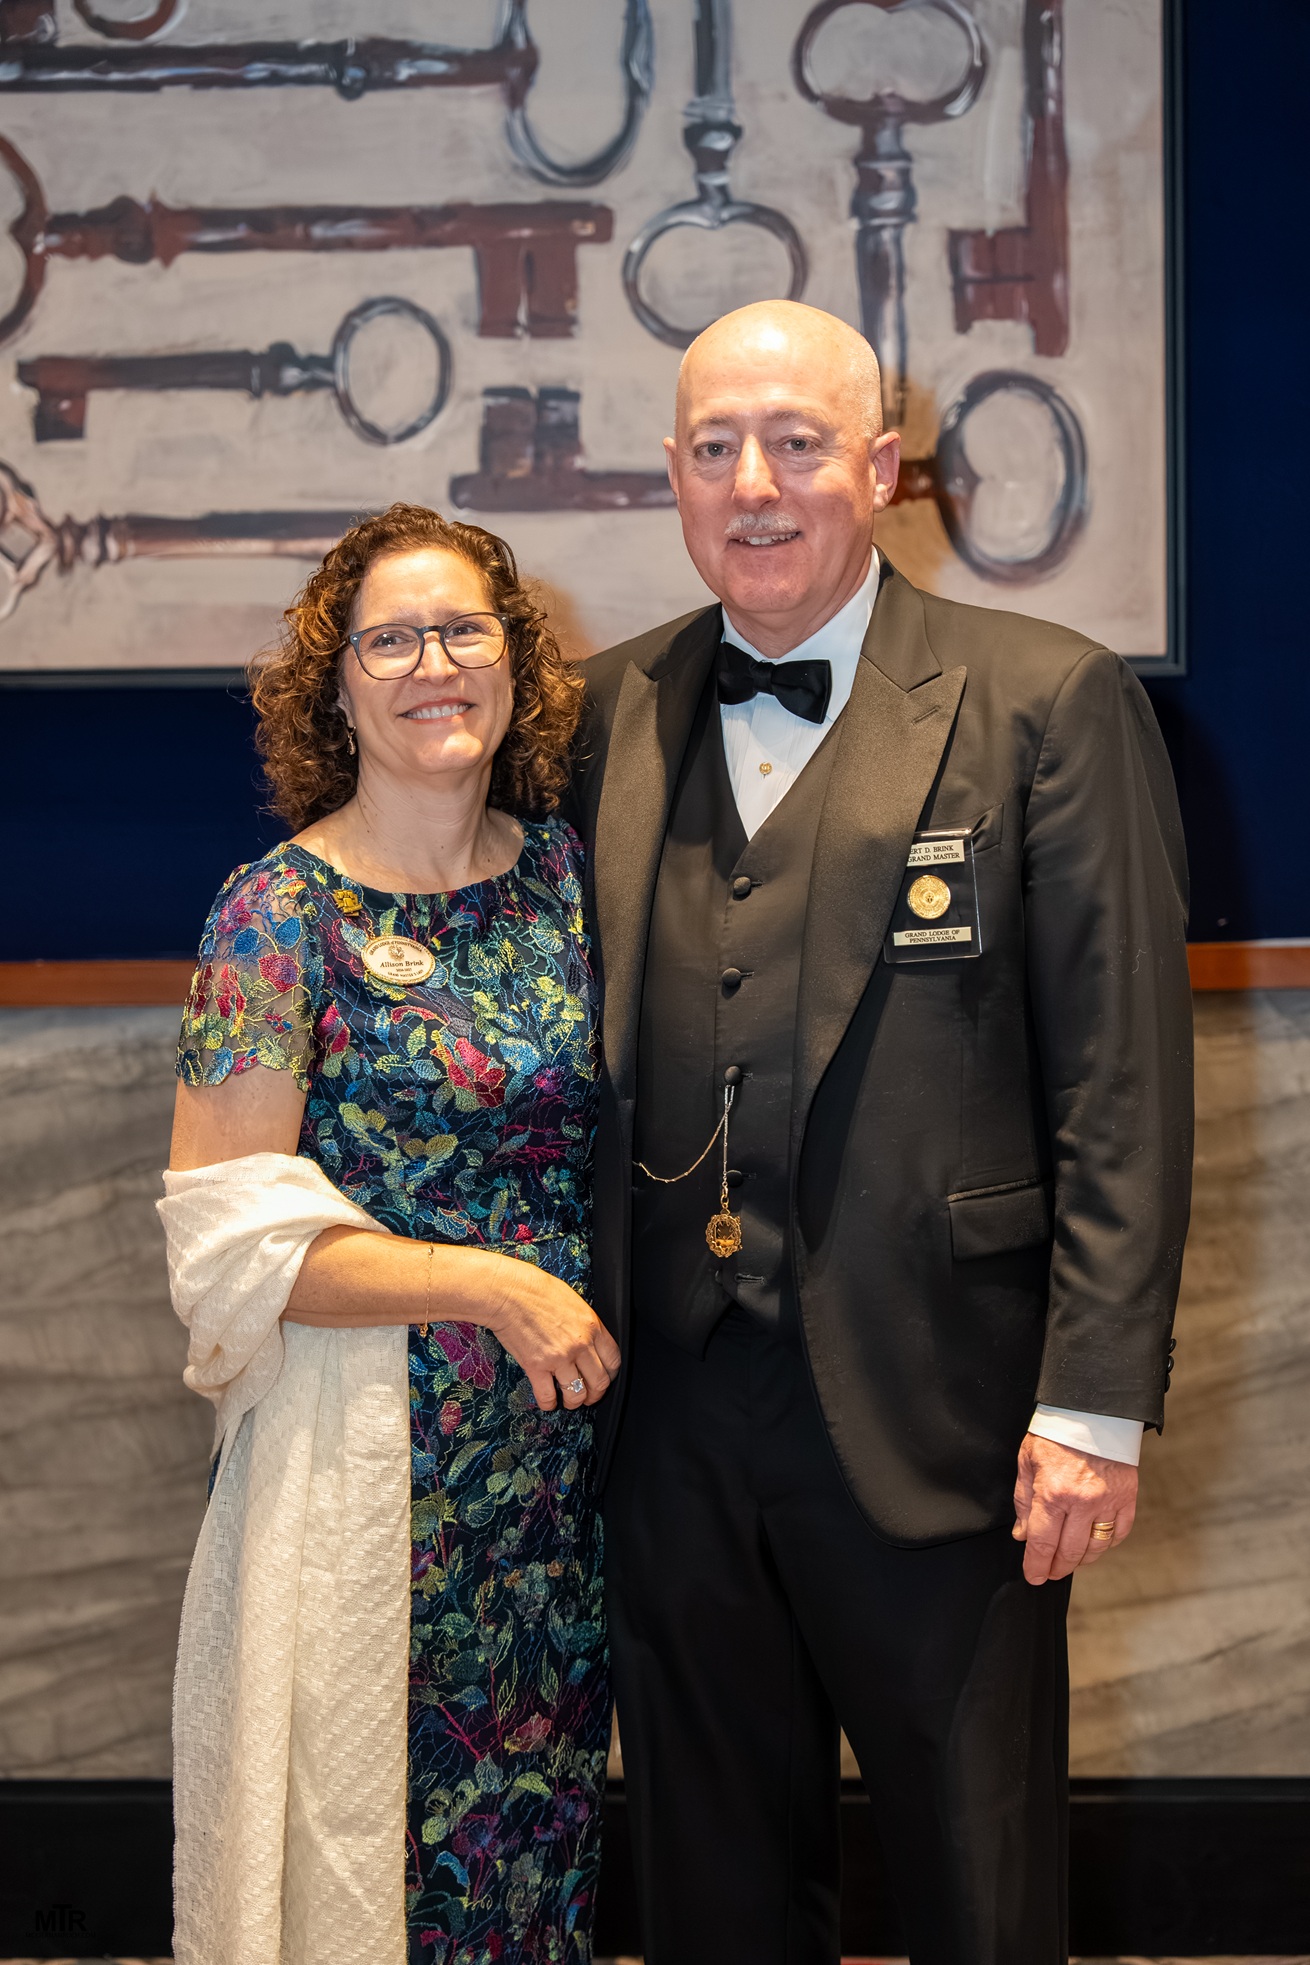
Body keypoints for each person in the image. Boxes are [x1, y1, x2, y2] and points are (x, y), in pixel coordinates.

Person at [566, 302, 1193, 1963]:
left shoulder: (1045, 701)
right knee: (710, 1897)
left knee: (977, 1899)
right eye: (714, 449)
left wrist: (1092, 1404)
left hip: (952, 1424)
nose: (753, 486)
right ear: (674, 476)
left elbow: (1120, 1083)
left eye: (794, 443)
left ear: (882, 465)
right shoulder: (600, 712)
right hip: (673, 1427)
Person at [165, 504, 619, 1965]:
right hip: (374, 1481)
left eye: (466, 629)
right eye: (392, 637)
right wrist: (487, 1286)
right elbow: (226, 1242)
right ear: (337, 681)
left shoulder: (568, 879)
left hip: (560, 1495)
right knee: (369, 1872)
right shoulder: (275, 914)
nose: (435, 662)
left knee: (536, 1874)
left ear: (515, 661)